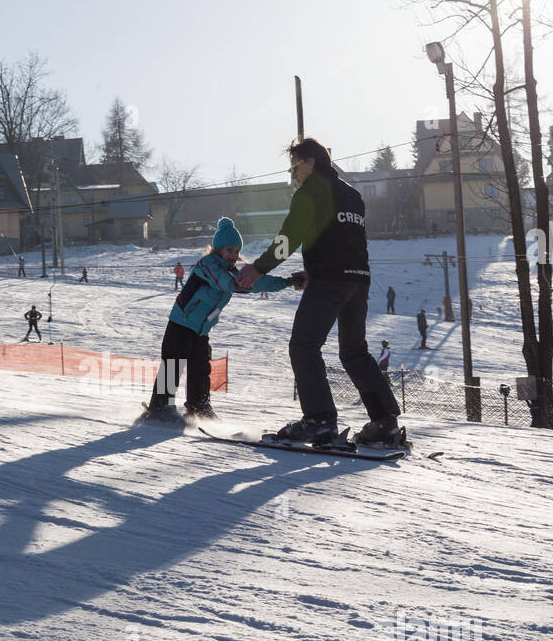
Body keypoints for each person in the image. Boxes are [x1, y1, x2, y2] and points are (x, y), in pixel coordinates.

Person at [235, 137, 401, 446]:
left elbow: (290, 237)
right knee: (355, 352)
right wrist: (314, 270)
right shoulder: (352, 194)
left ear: (310, 162)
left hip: (330, 282)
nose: (293, 175)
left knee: (304, 346)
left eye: (294, 167)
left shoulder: (310, 192)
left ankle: (319, 419)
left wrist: (258, 268)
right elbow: (342, 238)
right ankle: (384, 422)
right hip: (358, 280)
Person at [142, 217, 300, 423]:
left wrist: (287, 282)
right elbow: (226, 283)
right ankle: (160, 408)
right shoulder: (207, 265)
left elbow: (258, 281)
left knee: (201, 367)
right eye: (229, 251)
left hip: (201, 329)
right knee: (173, 363)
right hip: (181, 322)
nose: (234, 256)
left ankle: (199, 407)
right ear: (218, 251)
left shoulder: (232, 272)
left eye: (236, 251)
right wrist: (244, 281)